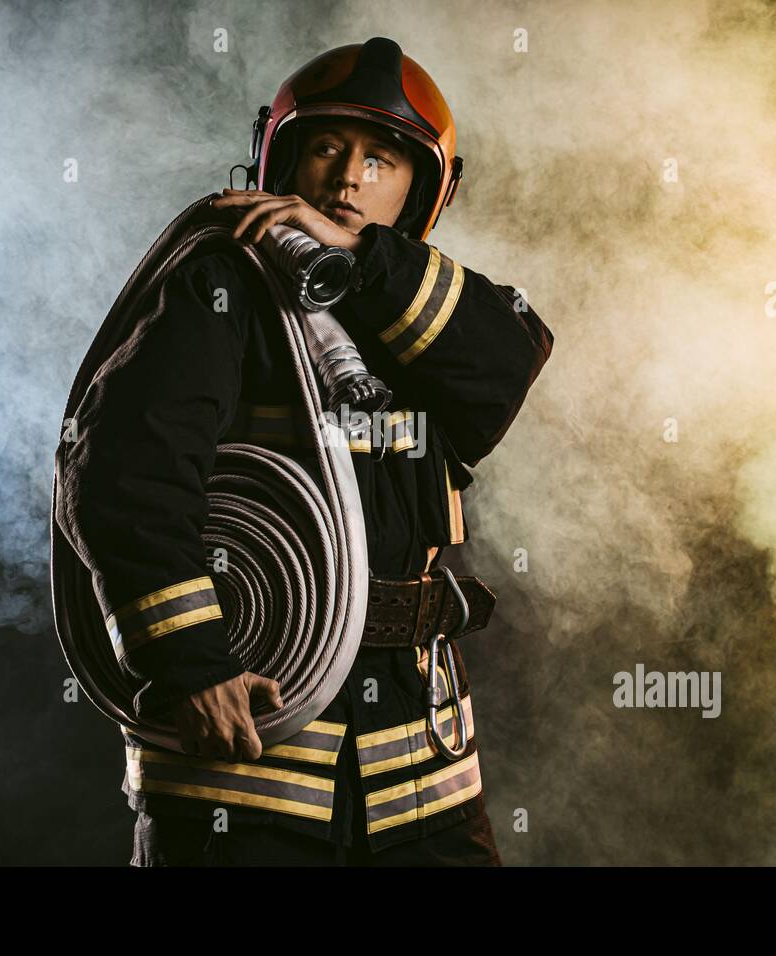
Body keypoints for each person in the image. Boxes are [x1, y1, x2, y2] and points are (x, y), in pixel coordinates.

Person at [54, 36, 554, 866]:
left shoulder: (417, 313)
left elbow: (507, 362)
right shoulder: (219, 287)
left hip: (419, 768)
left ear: (424, 187)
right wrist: (189, 665)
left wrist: (363, 260)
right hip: (251, 765)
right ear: (281, 160)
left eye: (382, 159)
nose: (349, 177)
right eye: (327, 146)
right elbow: (122, 475)